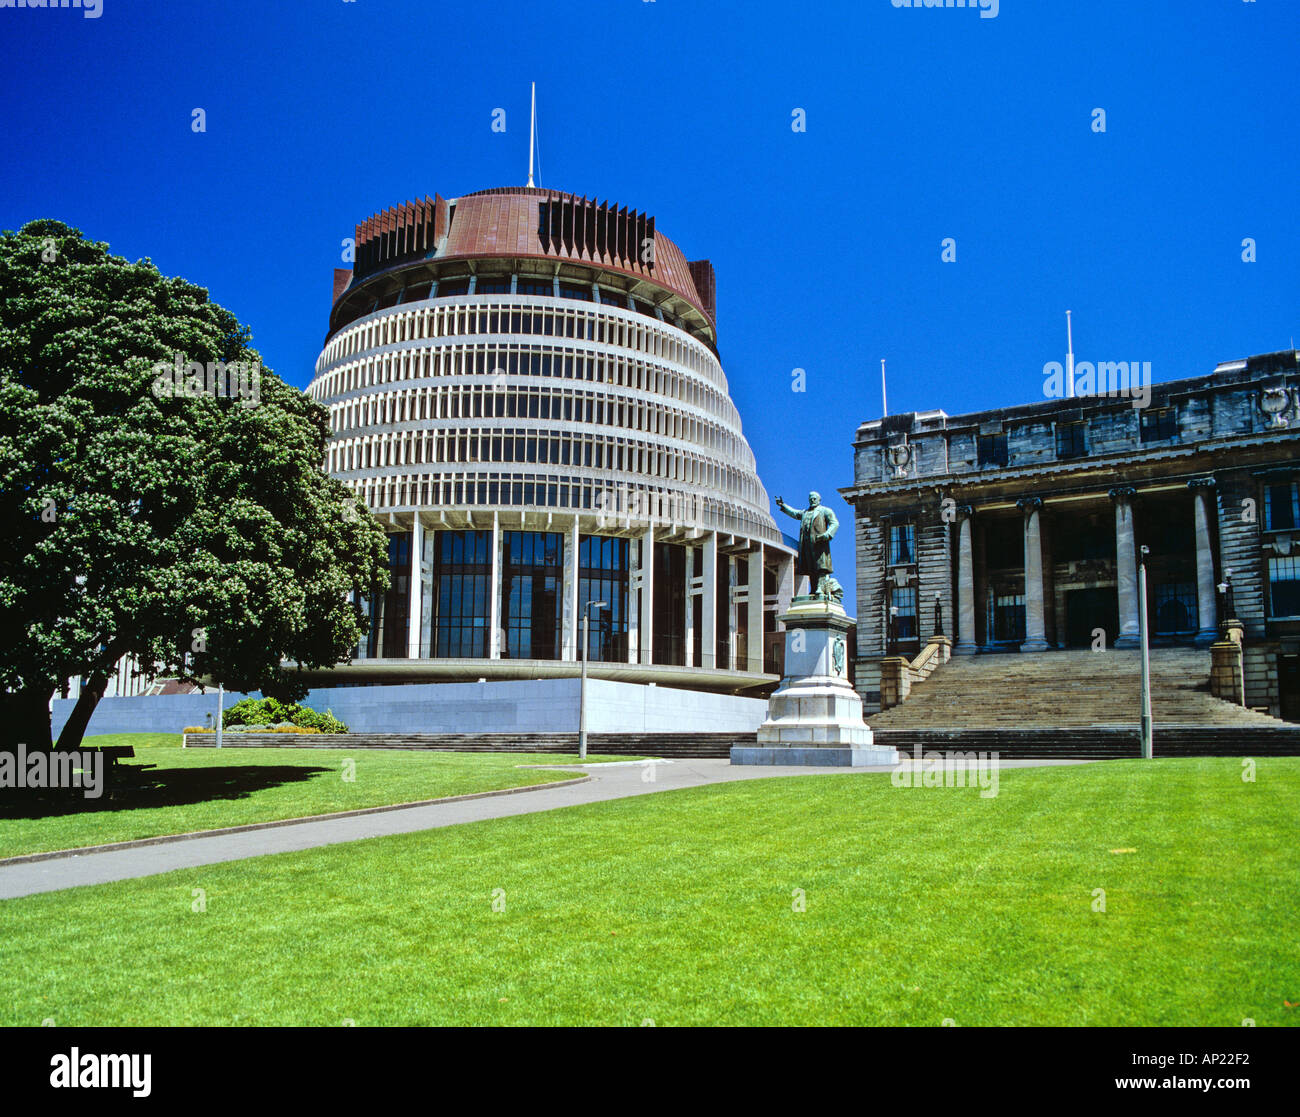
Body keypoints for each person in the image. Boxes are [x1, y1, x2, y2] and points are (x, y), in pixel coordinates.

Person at [775, 491, 839, 597]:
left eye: (814, 498)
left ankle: (820, 587)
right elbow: (794, 513)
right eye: (810, 499)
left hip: (819, 543)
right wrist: (783, 505)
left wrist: (827, 534)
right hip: (807, 544)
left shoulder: (825, 511)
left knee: (820, 566)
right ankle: (814, 588)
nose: (812, 500)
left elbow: (834, 523)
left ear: (819, 500)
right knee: (810, 567)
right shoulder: (805, 512)